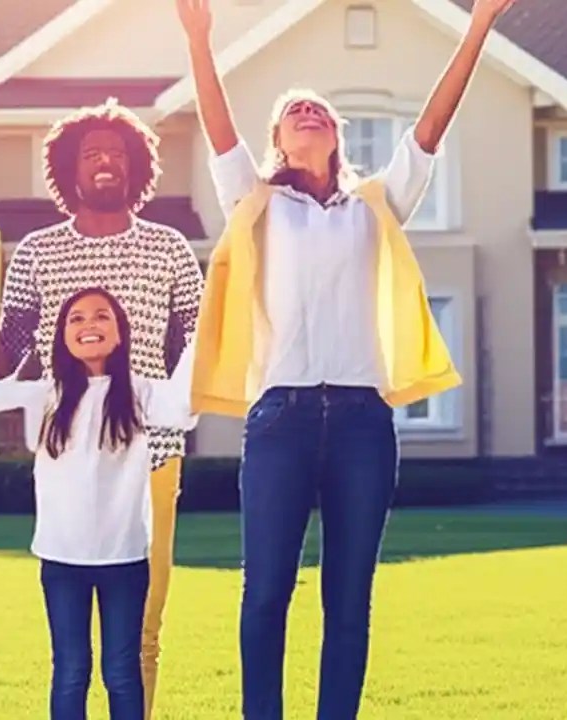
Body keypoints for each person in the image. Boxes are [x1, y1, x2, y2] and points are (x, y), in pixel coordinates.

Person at [175, 0, 503, 716]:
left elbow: (429, 131)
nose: (308, 113)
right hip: (280, 420)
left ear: (336, 136)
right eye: (294, 111)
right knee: (265, 591)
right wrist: (199, 39)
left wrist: (478, 25)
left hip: (362, 423)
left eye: (319, 110)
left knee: (349, 598)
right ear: (280, 142)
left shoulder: (376, 205)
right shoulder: (255, 203)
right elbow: (219, 131)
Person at [0, 97, 205, 719]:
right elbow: (11, 355)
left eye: (117, 153)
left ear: (138, 166)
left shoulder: (170, 249)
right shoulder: (35, 252)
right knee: (72, 657)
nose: (106, 162)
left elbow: (200, 346)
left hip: (152, 461)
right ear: (68, 169)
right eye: (92, 154)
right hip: (69, 465)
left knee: (139, 632)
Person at [0, 287, 197, 720]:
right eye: (75, 318)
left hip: (125, 558)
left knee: (121, 672)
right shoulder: (49, 394)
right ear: (61, 336)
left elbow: (183, 408)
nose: (88, 324)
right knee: (71, 671)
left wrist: (196, 340)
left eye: (101, 316)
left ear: (119, 333)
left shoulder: (140, 392)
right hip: (62, 559)